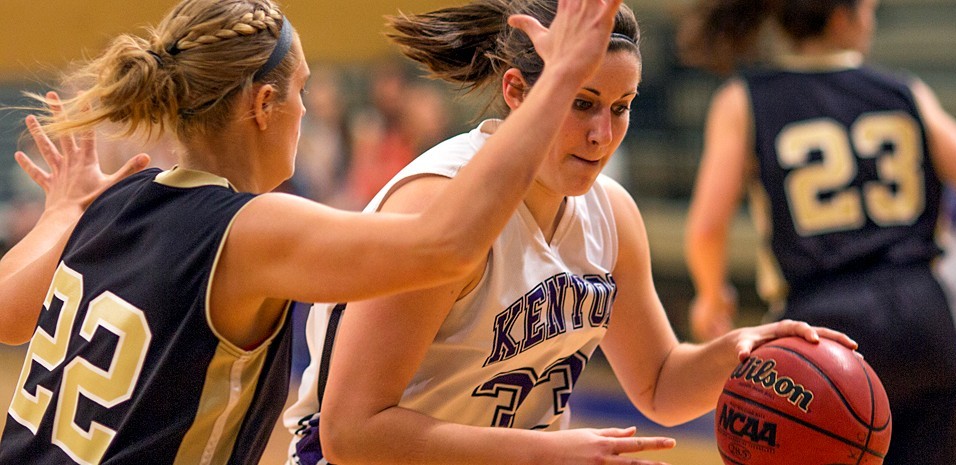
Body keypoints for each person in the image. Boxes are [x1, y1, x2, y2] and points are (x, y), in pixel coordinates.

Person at [0, 0, 634, 462]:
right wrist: (557, 81)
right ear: (263, 106)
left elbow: (8, 317)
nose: (306, 108)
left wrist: (60, 214)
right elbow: (446, 246)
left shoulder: (118, 200)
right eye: (300, 90)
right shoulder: (252, 228)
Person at [283, 1, 857, 464]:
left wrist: (741, 353)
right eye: (582, 103)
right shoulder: (438, 207)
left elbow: (659, 382)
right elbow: (352, 434)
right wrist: (544, 453)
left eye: (621, 106)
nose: (602, 134)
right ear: (516, 91)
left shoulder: (612, 214)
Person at [679, 1, 956, 464]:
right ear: (842, 17)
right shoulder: (905, 91)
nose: (873, 21)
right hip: (924, 315)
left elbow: (706, 226)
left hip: (825, 330)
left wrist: (710, 296)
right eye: (869, 9)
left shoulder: (744, 99)